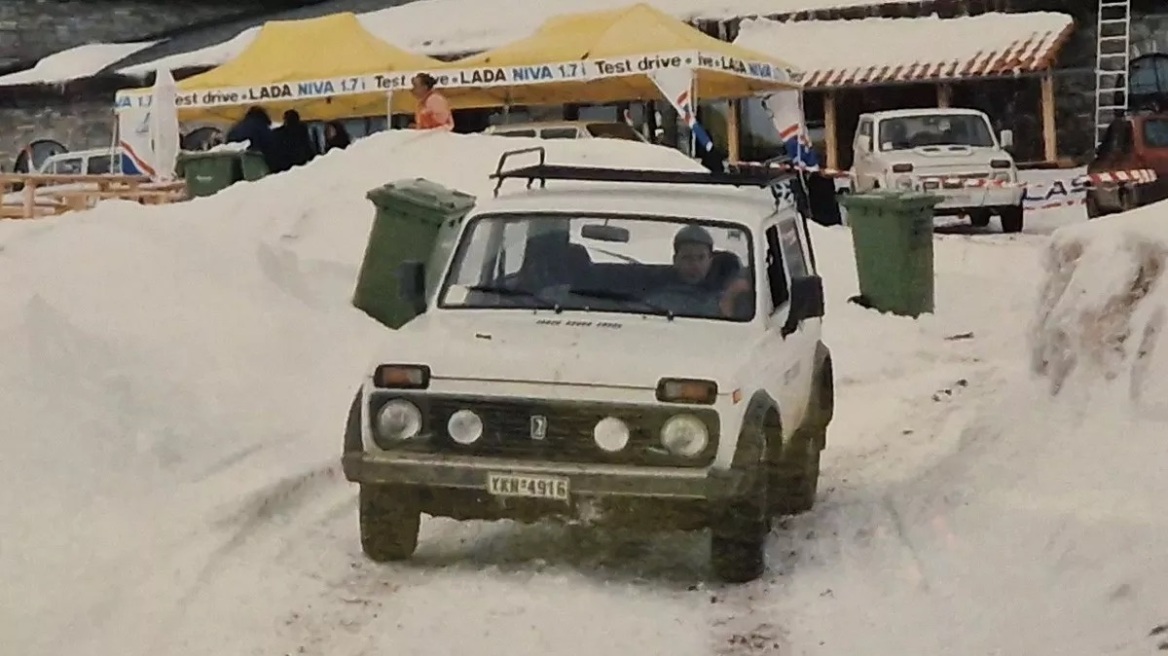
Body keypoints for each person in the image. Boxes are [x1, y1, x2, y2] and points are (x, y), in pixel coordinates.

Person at [668, 225, 752, 318]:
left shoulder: (728, 291)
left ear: (710, 260)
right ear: (675, 260)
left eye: (701, 257)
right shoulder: (661, 292)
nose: (695, 265)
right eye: (687, 257)